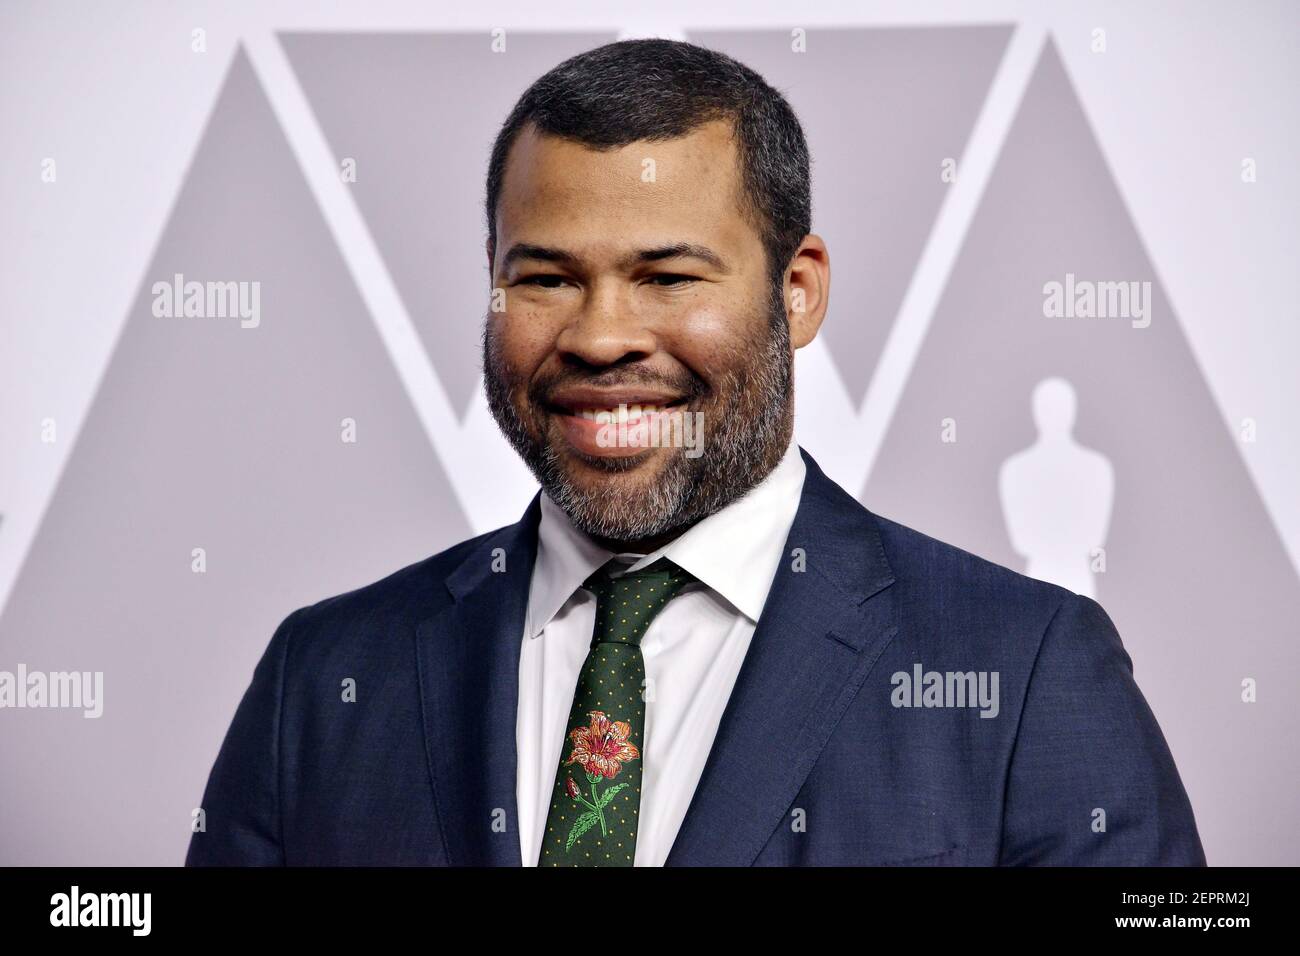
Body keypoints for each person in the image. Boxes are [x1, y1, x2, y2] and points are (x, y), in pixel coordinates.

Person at [187, 38, 1204, 867]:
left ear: (796, 292)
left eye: (667, 276)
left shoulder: (1023, 671)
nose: (598, 335)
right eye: (543, 277)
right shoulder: (322, 678)